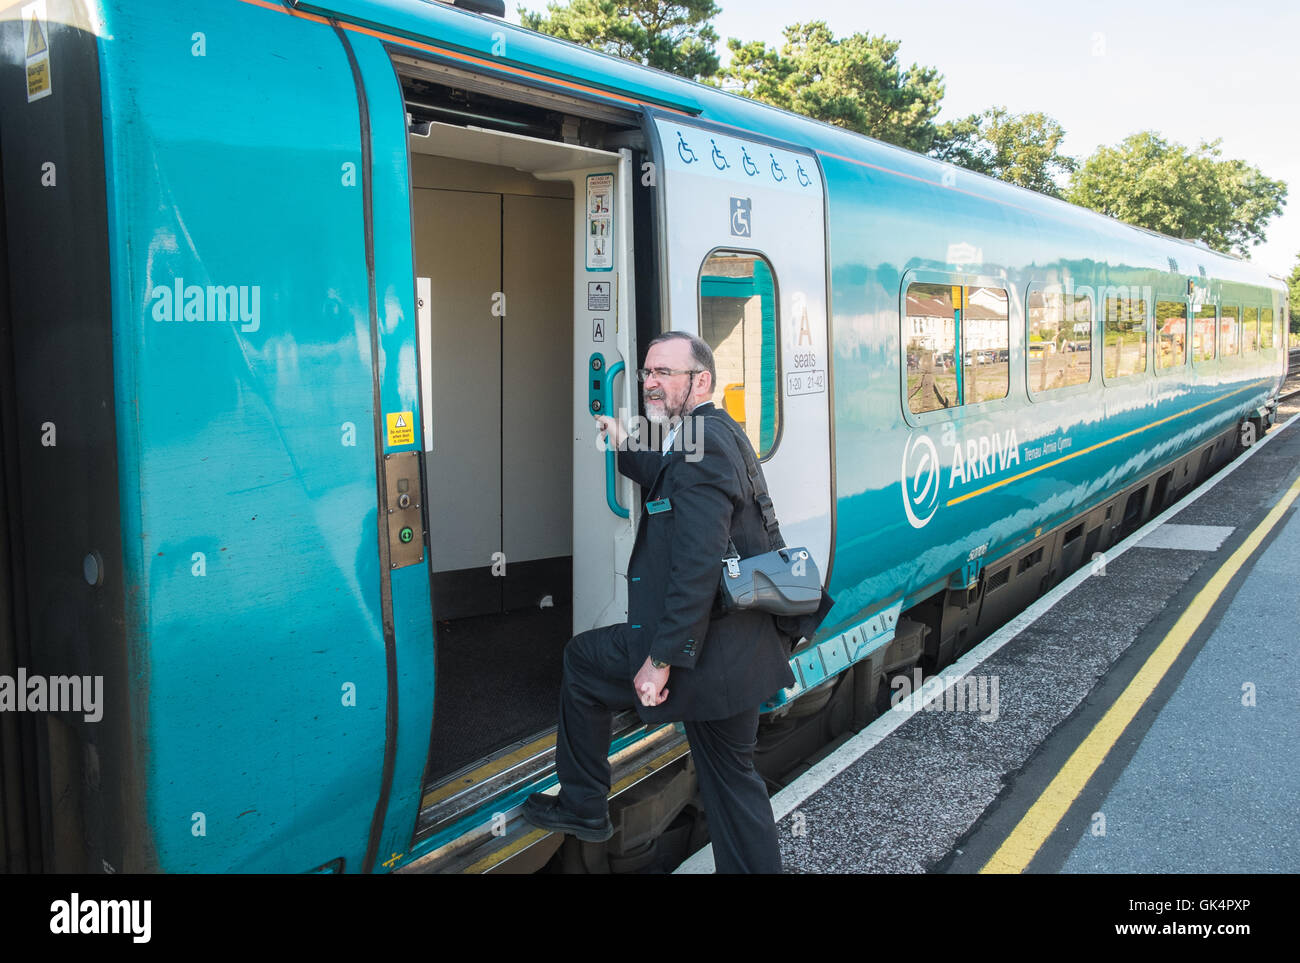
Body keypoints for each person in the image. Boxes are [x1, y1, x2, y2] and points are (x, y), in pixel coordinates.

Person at [521, 331, 797, 873]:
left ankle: (582, 804)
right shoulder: (713, 433)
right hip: (738, 651)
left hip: (707, 658)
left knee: (581, 662)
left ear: (702, 380)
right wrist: (624, 443)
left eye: (664, 373)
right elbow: (669, 474)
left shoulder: (703, 446)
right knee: (735, 791)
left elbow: (697, 564)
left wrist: (662, 658)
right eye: (647, 372)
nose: (650, 382)